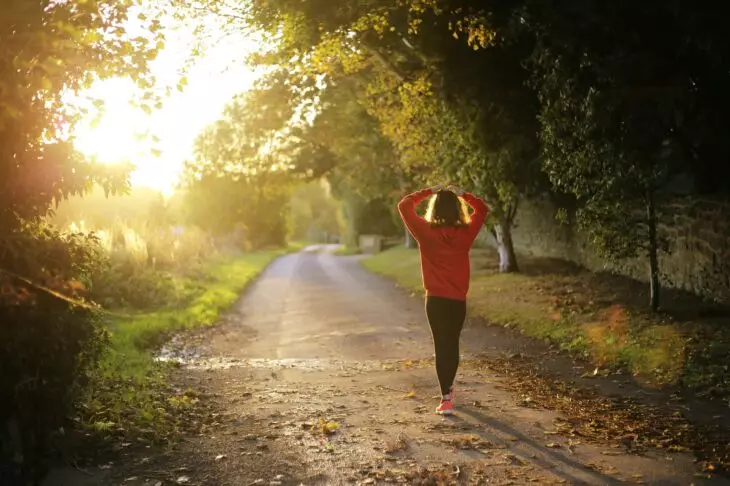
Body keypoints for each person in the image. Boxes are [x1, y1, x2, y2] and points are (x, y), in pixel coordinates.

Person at [397, 184, 489, 415]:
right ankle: (448, 390)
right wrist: (463, 194)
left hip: (435, 301)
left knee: (441, 345)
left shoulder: (425, 231)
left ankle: (446, 398)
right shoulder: (466, 233)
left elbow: (404, 205)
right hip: (457, 300)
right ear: (458, 209)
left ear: (434, 208)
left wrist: (429, 191)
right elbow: (482, 208)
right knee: (452, 343)